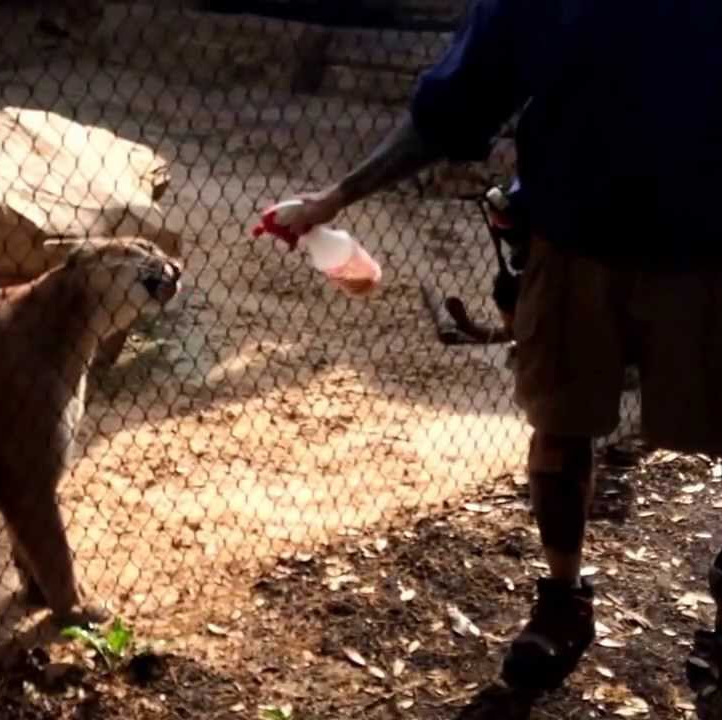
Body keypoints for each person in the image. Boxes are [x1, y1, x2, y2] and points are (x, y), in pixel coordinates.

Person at [260, 0, 722, 695]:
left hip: (708, 250)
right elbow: (457, 103)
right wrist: (336, 198)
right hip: (572, 241)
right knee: (559, 424)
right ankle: (561, 604)